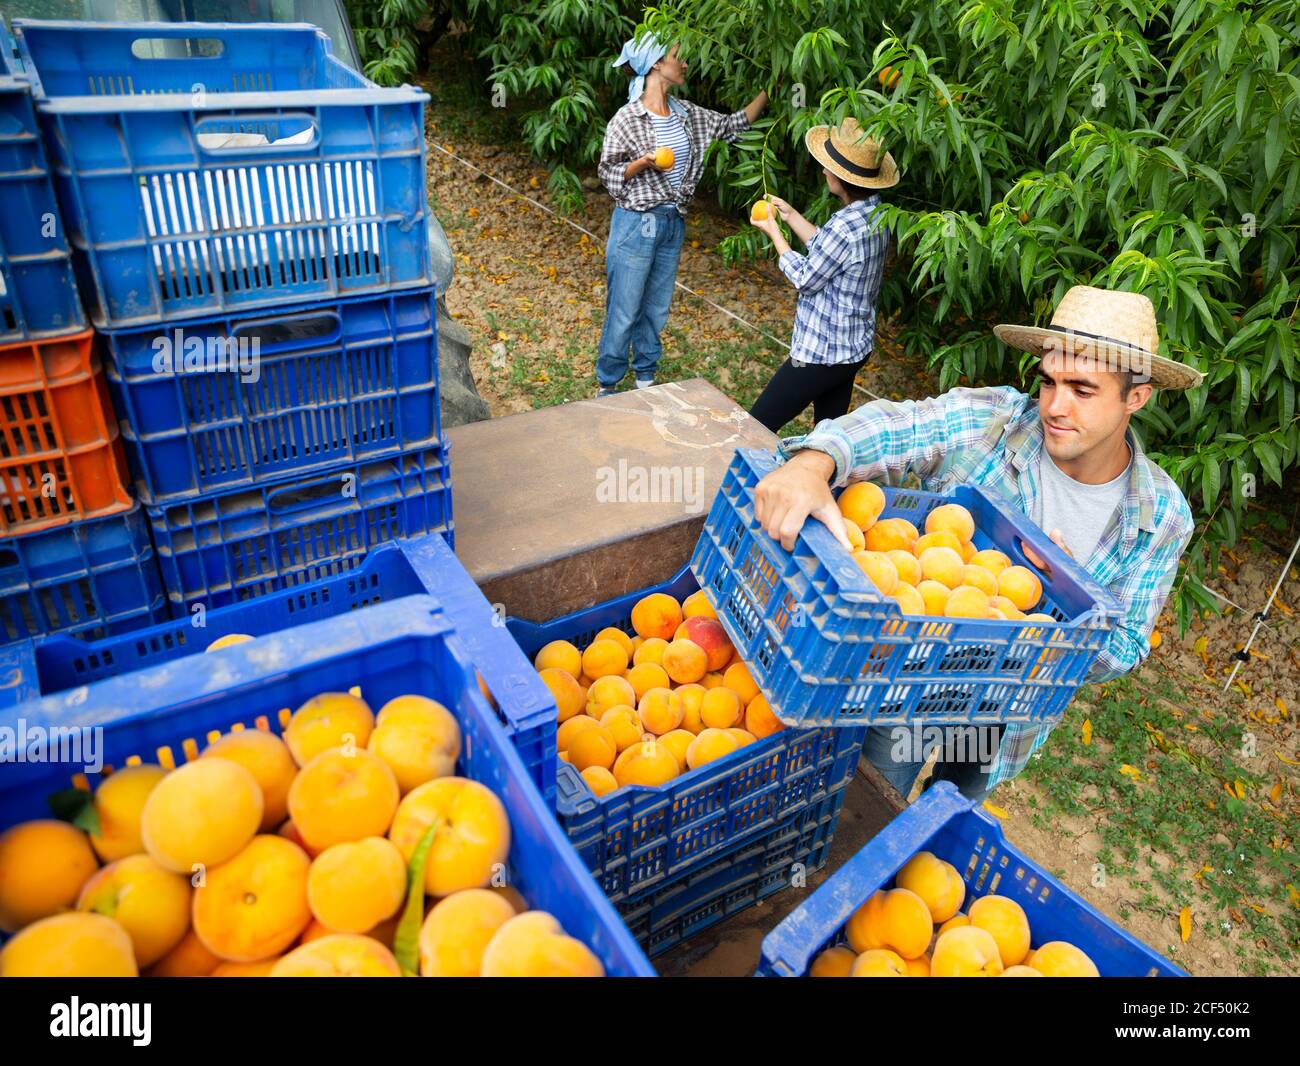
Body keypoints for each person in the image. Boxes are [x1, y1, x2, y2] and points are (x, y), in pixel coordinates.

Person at [751, 285, 1204, 802]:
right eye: (1049, 382)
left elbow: (1125, 647)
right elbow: (903, 424)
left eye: (1082, 390)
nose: (1055, 406)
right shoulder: (995, 423)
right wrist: (815, 461)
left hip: (1008, 711)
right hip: (916, 678)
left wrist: (1078, 601)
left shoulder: (1160, 516)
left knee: (954, 801)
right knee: (873, 799)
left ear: (1136, 397)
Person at [596, 33, 770, 397]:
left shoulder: (688, 115)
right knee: (624, 308)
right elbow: (608, 173)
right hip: (635, 224)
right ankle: (608, 383)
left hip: (672, 222)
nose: (686, 63)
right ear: (658, 64)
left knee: (656, 308)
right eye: (679, 56)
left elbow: (734, 124)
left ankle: (645, 377)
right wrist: (642, 162)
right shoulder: (628, 119)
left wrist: (770, 90)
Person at [748, 117, 894, 432]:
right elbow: (831, 252)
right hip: (852, 349)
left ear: (843, 180)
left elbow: (806, 278)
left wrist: (775, 233)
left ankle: (741, 478)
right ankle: (827, 481)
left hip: (822, 354)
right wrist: (790, 216)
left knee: (756, 426)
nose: (825, 170)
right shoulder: (876, 212)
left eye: (830, 168)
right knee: (827, 438)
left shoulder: (844, 225)